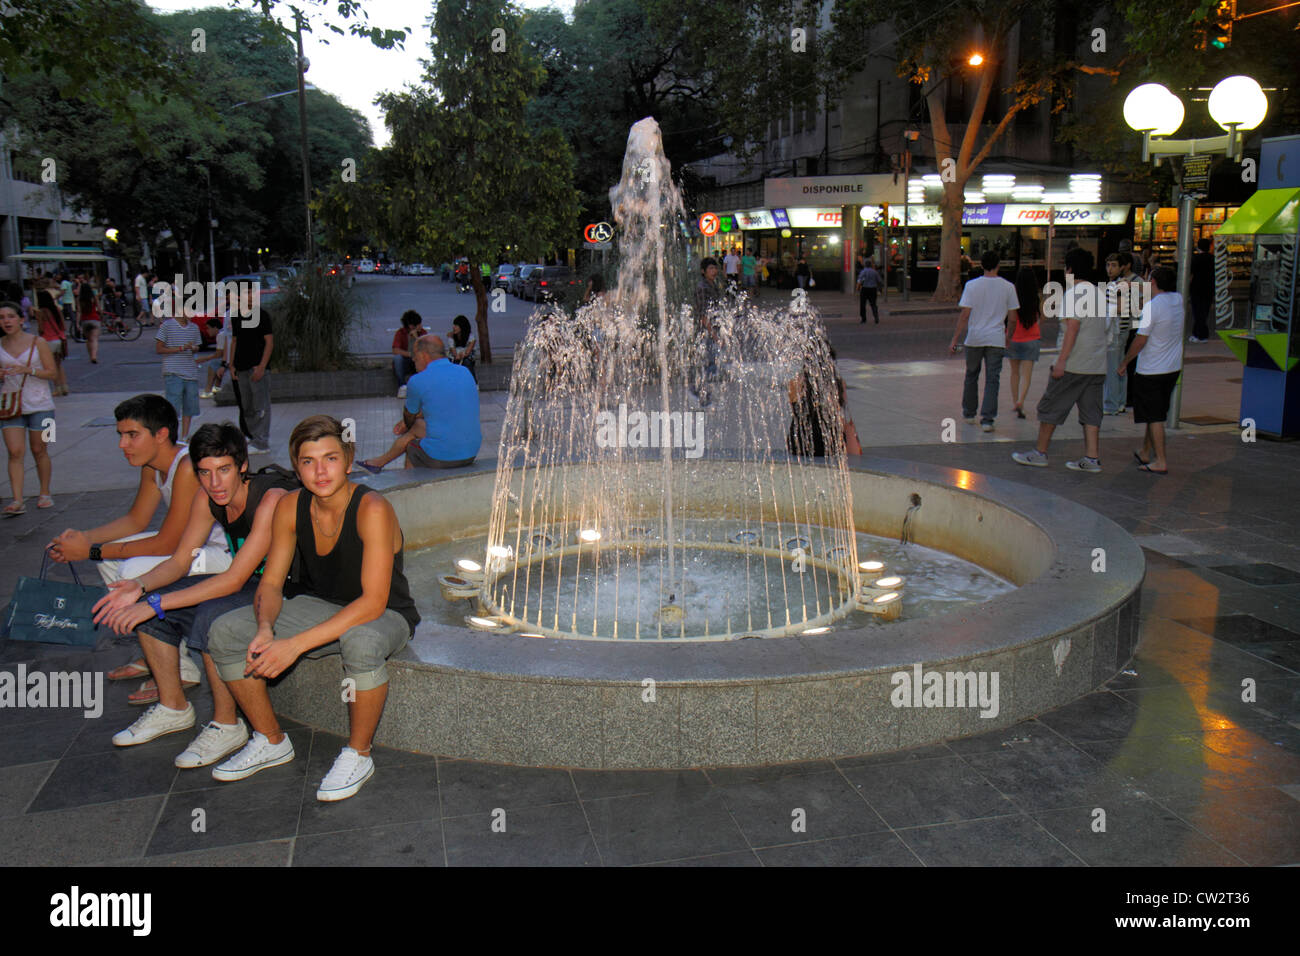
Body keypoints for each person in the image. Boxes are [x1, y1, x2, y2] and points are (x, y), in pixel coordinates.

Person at [206, 415, 420, 800]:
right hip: (317, 605)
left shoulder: (372, 508)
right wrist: (266, 627)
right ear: (296, 466)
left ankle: (359, 753)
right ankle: (270, 740)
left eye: (330, 458)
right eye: (308, 461)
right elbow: (271, 584)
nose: (320, 471)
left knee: (361, 642)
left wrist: (296, 644)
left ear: (349, 461)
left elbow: (372, 601)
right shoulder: (290, 506)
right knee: (225, 631)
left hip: (384, 613)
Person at [94, 423, 298, 766]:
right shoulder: (207, 498)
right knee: (149, 601)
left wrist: (155, 602)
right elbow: (179, 562)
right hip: (250, 581)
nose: (214, 483)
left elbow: (233, 580)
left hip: (287, 587)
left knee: (210, 615)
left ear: (242, 466)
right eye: (205, 473)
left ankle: (226, 723)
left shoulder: (271, 498)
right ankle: (173, 706)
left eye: (224, 471)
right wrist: (140, 587)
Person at [48, 394, 232, 697]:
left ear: (161, 434)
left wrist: (89, 550)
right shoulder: (151, 465)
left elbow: (167, 544)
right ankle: (156, 651)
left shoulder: (186, 466)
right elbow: (135, 521)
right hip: (191, 547)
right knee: (109, 561)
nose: (123, 444)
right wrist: (82, 539)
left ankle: (179, 667)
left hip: (221, 555)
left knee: (131, 569)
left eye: (132, 435)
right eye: (120, 435)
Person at [1010, 253, 1109, 473]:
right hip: (1096, 364)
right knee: (1091, 411)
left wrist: (1061, 361)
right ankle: (1092, 457)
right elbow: (1107, 330)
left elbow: (1072, 329)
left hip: (1074, 364)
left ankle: (1040, 453)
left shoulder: (1074, 294)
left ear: (1070, 270)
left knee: (1050, 408)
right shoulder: (1100, 294)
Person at [359, 335, 481, 472]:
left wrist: (407, 421)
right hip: (471, 451)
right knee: (418, 426)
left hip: (445, 457)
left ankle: (409, 486)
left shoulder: (418, 380)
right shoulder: (464, 372)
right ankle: (377, 463)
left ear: (423, 356)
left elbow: (409, 418)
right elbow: (445, 406)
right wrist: (413, 419)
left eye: (414, 358)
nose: (413, 361)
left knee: (412, 446)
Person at [1120, 267, 1183, 474]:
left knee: (1155, 417)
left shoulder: (1153, 306)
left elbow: (1141, 339)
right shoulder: (1178, 300)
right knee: (1154, 412)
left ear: (1154, 282)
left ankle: (1161, 460)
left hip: (1152, 369)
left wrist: (1125, 361)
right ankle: (1146, 451)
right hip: (1172, 367)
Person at [950, 251, 1019, 432]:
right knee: (992, 379)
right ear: (998, 265)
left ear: (981, 265)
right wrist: (1008, 336)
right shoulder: (1008, 287)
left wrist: (955, 339)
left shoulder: (972, 286)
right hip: (996, 337)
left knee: (971, 375)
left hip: (974, 337)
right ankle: (988, 419)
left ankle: (969, 413)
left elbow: (965, 314)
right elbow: (1012, 318)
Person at [0, 300, 57, 515]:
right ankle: (17, 499)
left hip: (42, 404)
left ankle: (45, 492)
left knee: (40, 449)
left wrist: (28, 370)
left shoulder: (38, 342)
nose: (6, 321)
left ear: (22, 319)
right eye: (2, 317)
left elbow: (52, 372)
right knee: (14, 451)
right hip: (9, 405)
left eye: (10, 316)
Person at [229, 283, 273, 454]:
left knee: (260, 406)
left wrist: (262, 366)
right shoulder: (236, 316)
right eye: (246, 293)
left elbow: (269, 342)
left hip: (257, 367)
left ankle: (262, 441)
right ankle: (254, 437)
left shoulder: (262, 315)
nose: (250, 296)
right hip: (241, 367)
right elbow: (234, 341)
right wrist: (231, 364)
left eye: (252, 293)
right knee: (246, 406)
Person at [156, 305, 202, 441]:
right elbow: (159, 349)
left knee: (190, 406)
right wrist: (180, 348)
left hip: (190, 371)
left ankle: (185, 435)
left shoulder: (194, 327)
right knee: (173, 406)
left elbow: (197, 346)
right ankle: (172, 436)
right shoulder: (167, 326)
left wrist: (193, 348)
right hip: (173, 371)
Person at [1008, 268, 1042, 419]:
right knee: (1026, 375)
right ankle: (1021, 401)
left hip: (1014, 338)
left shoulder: (1013, 294)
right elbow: (1043, 315)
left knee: (1014, 373)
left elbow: (1010, 317)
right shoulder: (1036, 297)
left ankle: (1015, 401)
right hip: (1032, 338)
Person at [34, 289, 69, 396]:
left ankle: (57, 388)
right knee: (59, 365)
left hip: (47, 341)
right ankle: (65, 387)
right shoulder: (57, 309)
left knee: (52, 367)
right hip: (59, 339)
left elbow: (41, 329)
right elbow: (63, 325)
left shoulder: (40, 312)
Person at [391, 309, 424, 398]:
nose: (421, 326)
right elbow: (395, 350)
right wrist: (409, 354)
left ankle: (423, 387)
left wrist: (417, 338)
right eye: (419, 324)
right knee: (397, 358)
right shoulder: (401, 333)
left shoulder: (422, 333)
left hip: (418, 361)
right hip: (407, 360)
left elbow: (426, 348)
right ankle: (402, 386)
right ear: (411, 326)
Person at [1189, 237, 1214, 342]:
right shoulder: (1213, 259)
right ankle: (1198, 333)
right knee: (1204, 312)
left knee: (1198, 312)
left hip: (1196, 288)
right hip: (1209, 288)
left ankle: (1201, 335)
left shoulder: (1195, 259)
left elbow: (1190, 273)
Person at [199, 318, 228, 399]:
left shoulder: (220, 335)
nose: (207, 331)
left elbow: (219, 354)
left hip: (229, 359)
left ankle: (208, 390)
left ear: (215, 328)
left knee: (213, 364)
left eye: (208, 328)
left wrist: (204, 358)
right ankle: (216, 387)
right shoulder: (222, 334)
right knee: (216, 363)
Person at [446, 314, 476, 382]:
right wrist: (457, 355)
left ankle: (474, 382)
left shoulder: (471, 337)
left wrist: (462, 355)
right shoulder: (451, 336)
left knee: (466, 362)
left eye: (456, 325)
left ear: (462, 326)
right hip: (454, 357)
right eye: (454, 325)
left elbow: (468, 352)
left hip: (467, 357)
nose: (453, 327)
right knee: (451, 363)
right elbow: (453, 351)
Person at [77, 282, 101, 364]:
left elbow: (79, 311)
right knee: (94, 339)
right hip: (94, 319)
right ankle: (94, 356)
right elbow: (99, 308)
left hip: (85, 320)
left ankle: (90, 355)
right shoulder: (94, 297)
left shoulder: (79, 299)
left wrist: (77, 323)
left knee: (88, 339)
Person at [856, 259, 882, 324]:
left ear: (865, 265)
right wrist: (879, 288)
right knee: (873, 304)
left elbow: (859, 281)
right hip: (873, 289)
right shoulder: (875, 272)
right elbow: (880, 281)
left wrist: (858, 288)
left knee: (863, 304)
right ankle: (876, 317)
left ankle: (863, 319)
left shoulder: (863, 272)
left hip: (865, 289)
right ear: (871, 265)